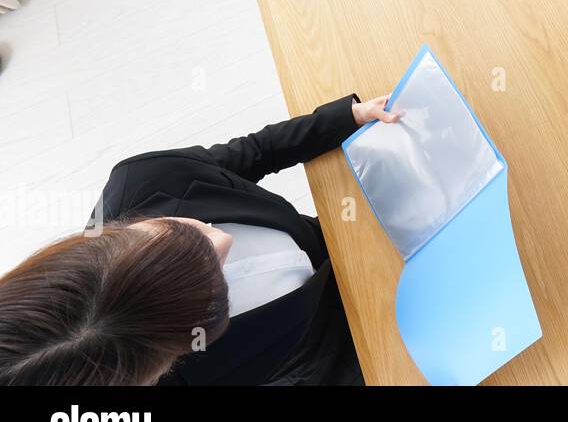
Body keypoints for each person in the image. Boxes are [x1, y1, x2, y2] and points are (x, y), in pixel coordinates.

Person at [0, 93, 397, 385]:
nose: (222, 241)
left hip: (355, 236)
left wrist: (345, 118)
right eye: (212, 291)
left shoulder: (144, 180)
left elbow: (253, 153)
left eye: (177, 231)